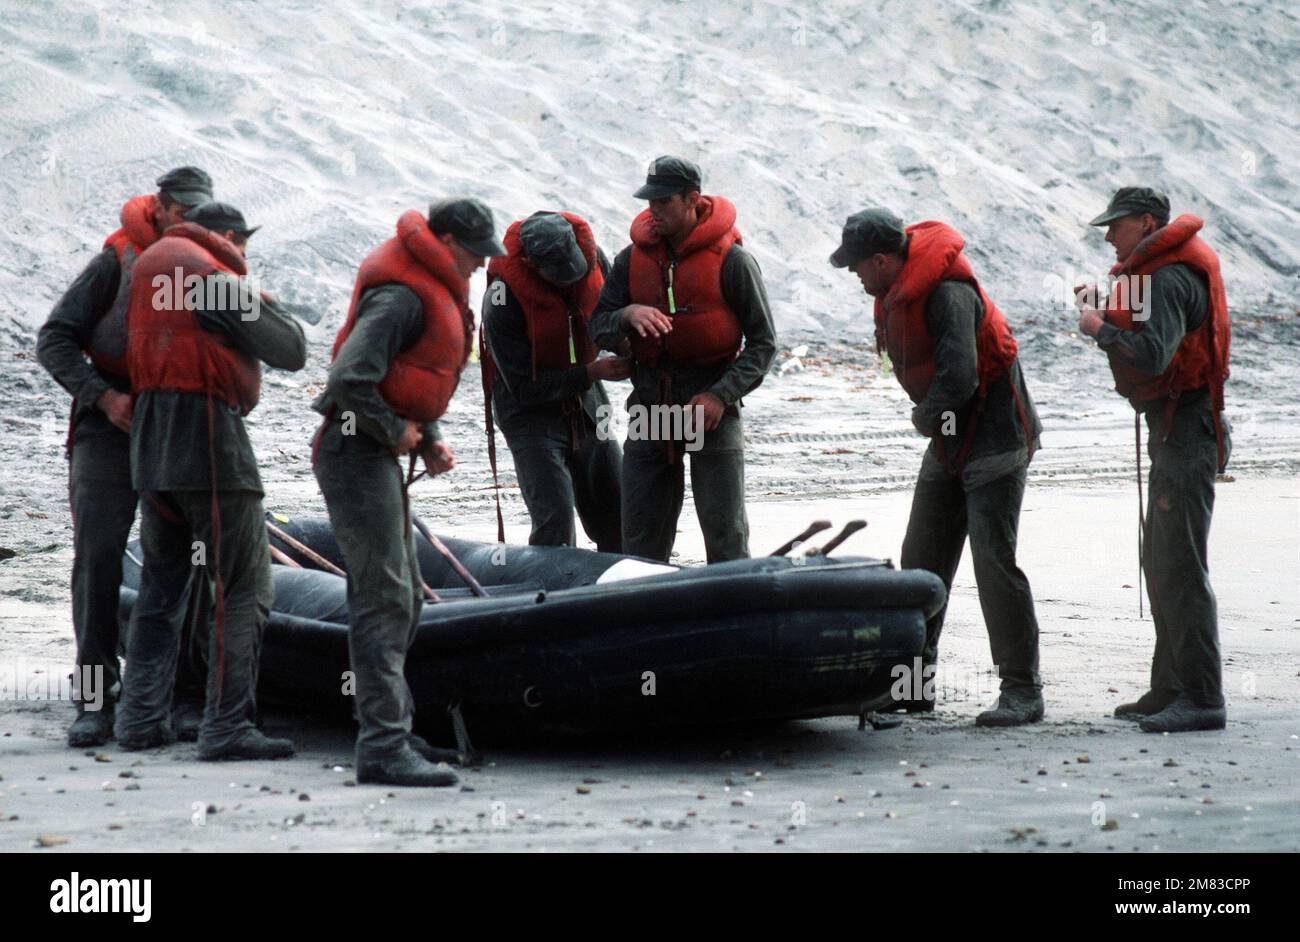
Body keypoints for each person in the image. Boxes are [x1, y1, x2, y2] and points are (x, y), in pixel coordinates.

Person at [312, 199, 504, 786]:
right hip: (353, 453)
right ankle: (381, 747)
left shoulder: (432, 285)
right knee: (384, 597)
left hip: (376, 454)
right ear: (443, 240)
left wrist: (427, 440)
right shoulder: (400, 295)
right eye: (472, 251)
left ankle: (394, 729)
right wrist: (397, 432)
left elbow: (409, 378)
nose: (479, 263)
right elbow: (349, 376)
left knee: (404, 598)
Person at [830, 208, 1044, 726]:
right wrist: (935, 424)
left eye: (858, 267)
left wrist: (924, 418)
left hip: (996, 436)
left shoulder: (949, 293)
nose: (856, 276)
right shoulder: (896, 292)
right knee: (921, 563)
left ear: (882, 260)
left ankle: (1022, 691)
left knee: (994, 564)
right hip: (950, 440)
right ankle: (910, 690)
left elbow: (961, 379)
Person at [115, 201, 307, 759]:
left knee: (161, 585)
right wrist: (261, 304)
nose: (243, 256)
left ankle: (138, 720)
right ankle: (226, 726)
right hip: (206, 440)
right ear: (227, 236)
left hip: (150, 445)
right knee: (246, 585)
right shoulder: (204, 273)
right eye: (242, 245)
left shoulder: (151, 263)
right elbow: (290, 349)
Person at [36, 166, 213, 747]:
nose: (192, 224)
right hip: (108, 425)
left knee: (192, 556)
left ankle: (184, 696)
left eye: (200, 213)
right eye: (184, 212)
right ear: (160, 209)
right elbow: (55, 336)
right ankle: (93, 699)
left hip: (176, 426)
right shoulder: (114, 262)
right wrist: (102, 397)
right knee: (97, 557)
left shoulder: (211, 267)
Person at [1075, 187, 1230, 733]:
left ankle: (1202, 697)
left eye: (1115, 226)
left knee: (1179, 566)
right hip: (1180, 427)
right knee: (1162, 561)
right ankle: (1170, 688)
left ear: (1146, 222)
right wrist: (1108, 308)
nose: (1109, 235)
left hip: (1185, 431)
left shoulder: (1166, 277)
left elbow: (1150, 353)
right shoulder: (1161, 271)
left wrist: (1099, 329)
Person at [589, 156, 776, 563]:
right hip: (651, 405)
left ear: (693, 200)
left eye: (664, 201)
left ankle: (733, 616)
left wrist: (720, 396)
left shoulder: (734, 262)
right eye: (649, 201)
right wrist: (626, 315)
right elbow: (597, 326)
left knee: (725, 534)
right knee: (639, 535)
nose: (653, 210)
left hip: (708, 408)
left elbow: (763, 345)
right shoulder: (629, 260)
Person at [481, 210, 628, 550]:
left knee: (618, 510)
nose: (569, 279)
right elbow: (523, 389)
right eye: (559, 274)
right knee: (555, 521)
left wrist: (622, 339)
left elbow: (607, 315)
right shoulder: (501, 301)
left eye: (573, 269)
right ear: (531, 264)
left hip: (590, 402)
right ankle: (554, 592)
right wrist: (592, 372)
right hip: (528, 413)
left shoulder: (592, 260)